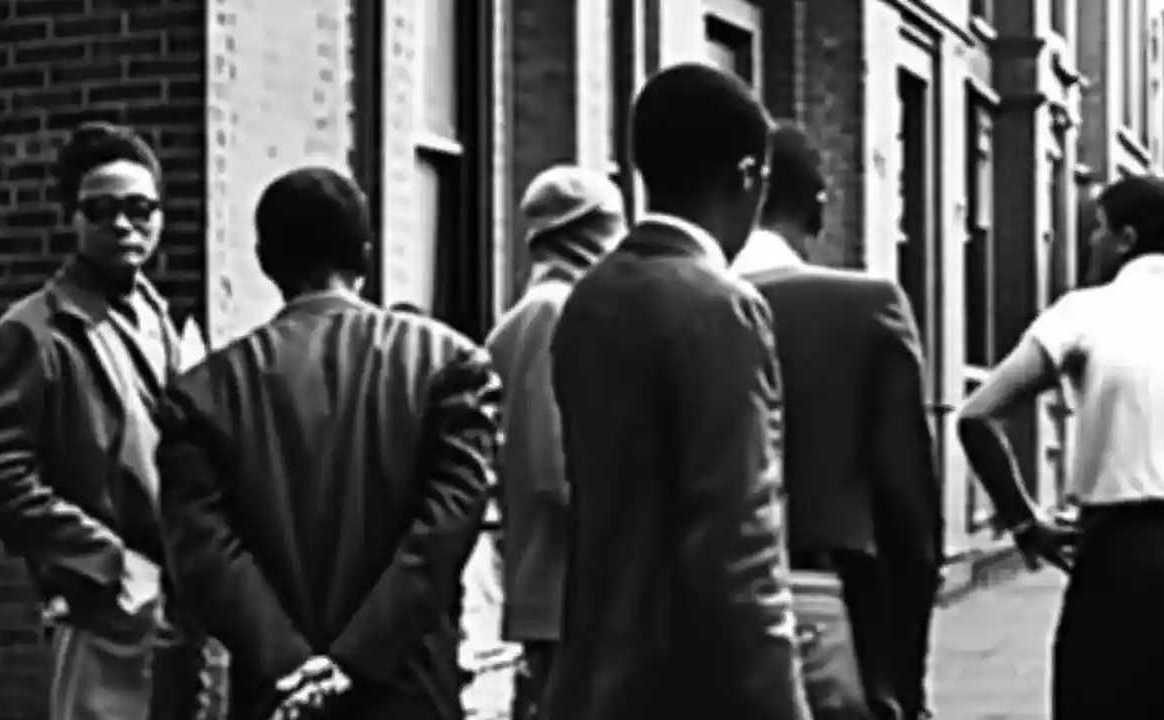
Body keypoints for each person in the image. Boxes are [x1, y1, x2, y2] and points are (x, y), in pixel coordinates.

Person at [154, 166, 502, 719]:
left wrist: (291, 663)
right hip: (409, 689)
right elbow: (442, 532)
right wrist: (355, 659)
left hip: (276, 699)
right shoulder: (451, 367)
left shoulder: (203, 394)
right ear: (365, 254)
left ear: (266, 261)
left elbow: (205, 555)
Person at [544, 63, 812, 720]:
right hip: (689, 686)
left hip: (592, 677)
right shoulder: (722, 309)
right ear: (747, 177)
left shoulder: (590, 299)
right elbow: (739, 544)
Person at [0, 122, 217, 719]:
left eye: (139, 208)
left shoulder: (162, 323)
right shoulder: (35, 332)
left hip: (182, 616)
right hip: (105, 616)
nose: (123, 224)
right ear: (72, 220)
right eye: (100, 210)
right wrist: (108, 564)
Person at [957, 175, 1164, 719]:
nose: (1090, 241)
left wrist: (1026, 524)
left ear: (1124, 238)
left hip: (1120, 563)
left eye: (1097, 229)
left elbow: (978, 415)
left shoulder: (1083, 311)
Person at [743, 123, 943, 720]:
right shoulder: (863, 309)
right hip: (823, 616)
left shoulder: (648, 303)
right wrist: (903, 679)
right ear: (819, 208)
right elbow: (907, 512)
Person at [485, 165, 626, 720]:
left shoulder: (525, 317)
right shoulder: (555, 315)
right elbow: (557, 467)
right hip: (570, 589)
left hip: (554, 588)